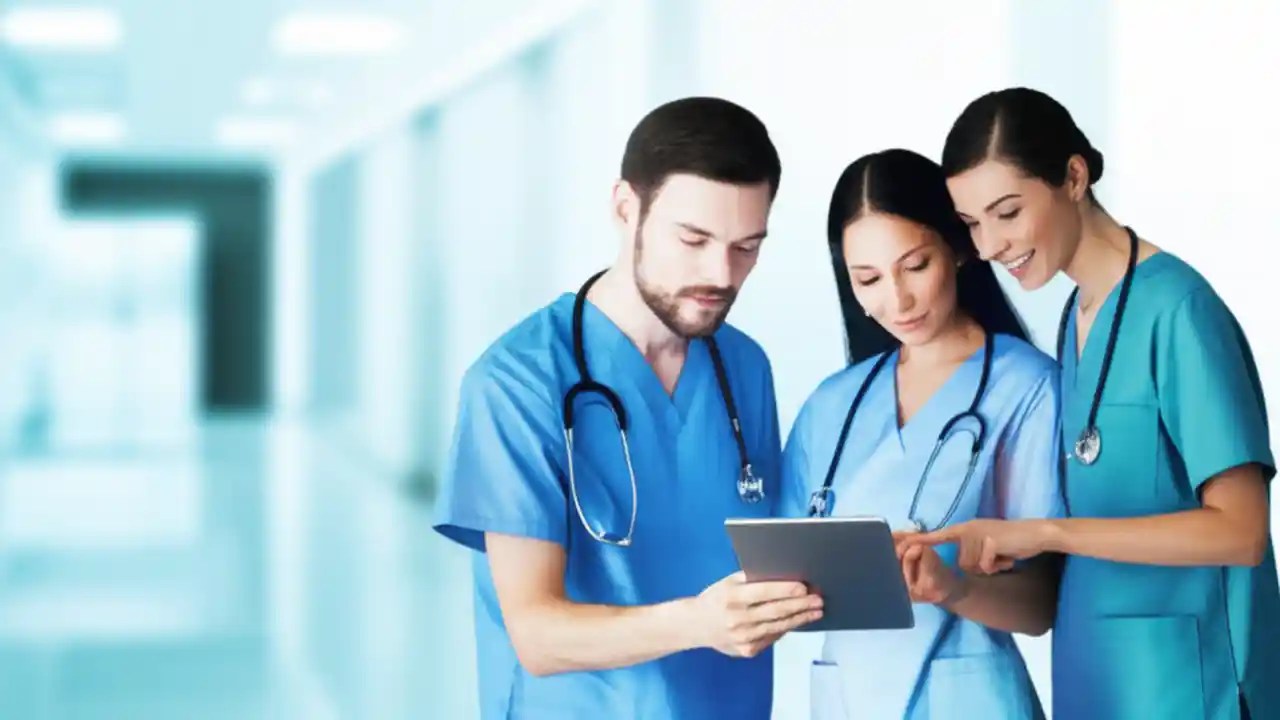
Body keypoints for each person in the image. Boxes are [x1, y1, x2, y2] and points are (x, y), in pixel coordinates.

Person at [432, 96, 823, 720]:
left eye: (746, 246)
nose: (721, 274)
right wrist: (699, 623)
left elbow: (773, 553)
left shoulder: (743, 366)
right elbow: (536, 634)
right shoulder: (517, 381)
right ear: (625, 209)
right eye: (693, 239)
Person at [910, 86, 1280, 719]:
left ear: (1074, 177)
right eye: (973, 224)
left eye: (1007, 212)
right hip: (1098, 681)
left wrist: (1047, 532)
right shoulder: (1074, 318)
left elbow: (1241, 531)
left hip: (1192, 687)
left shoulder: (1180, 311)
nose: (990, 245)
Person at [780, 148, 1064, 719]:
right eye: (868, 279)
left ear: (958, 247)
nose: (897, 300)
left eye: (915, 266)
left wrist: (952, 588)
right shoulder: (831, 405)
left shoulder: (1025, 386)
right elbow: (784, 574)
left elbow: (1041, 607)